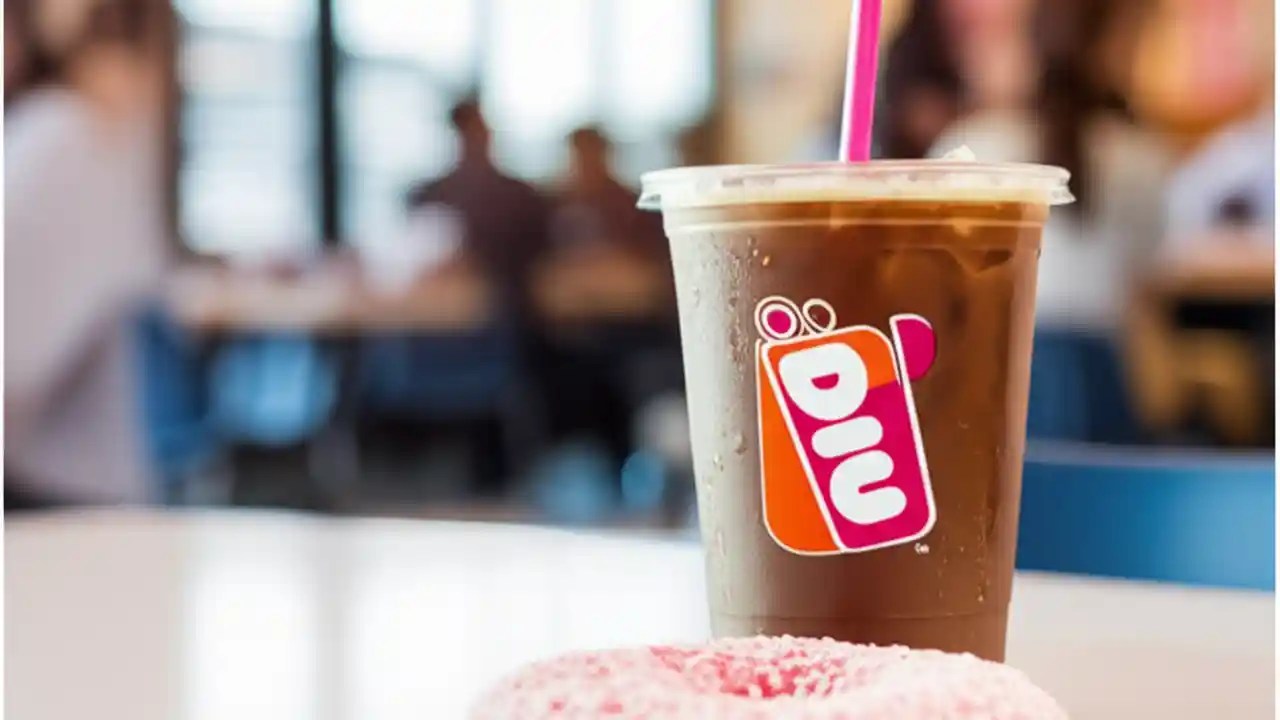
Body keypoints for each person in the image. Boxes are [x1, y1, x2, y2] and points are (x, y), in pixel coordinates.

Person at [6, 0, 168, 507]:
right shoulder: (95, 127)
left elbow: (13, 364)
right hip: (91, 483)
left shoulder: (56, 134)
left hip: (50, 494)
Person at [929, 0, 1172, 332]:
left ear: (1024, 46)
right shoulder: (1138, 156)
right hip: (1107, 367)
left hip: (1001, 354)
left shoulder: (970, 148)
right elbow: (1151, 268)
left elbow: (937, 276)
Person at [406, 98, 551, 314]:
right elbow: (414, 256)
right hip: (438, 308)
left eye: (480, 130)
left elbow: (539, 253)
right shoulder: (428, 194)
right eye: (469, 131)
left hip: (505, 306)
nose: (476, 139)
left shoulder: (521, 195)